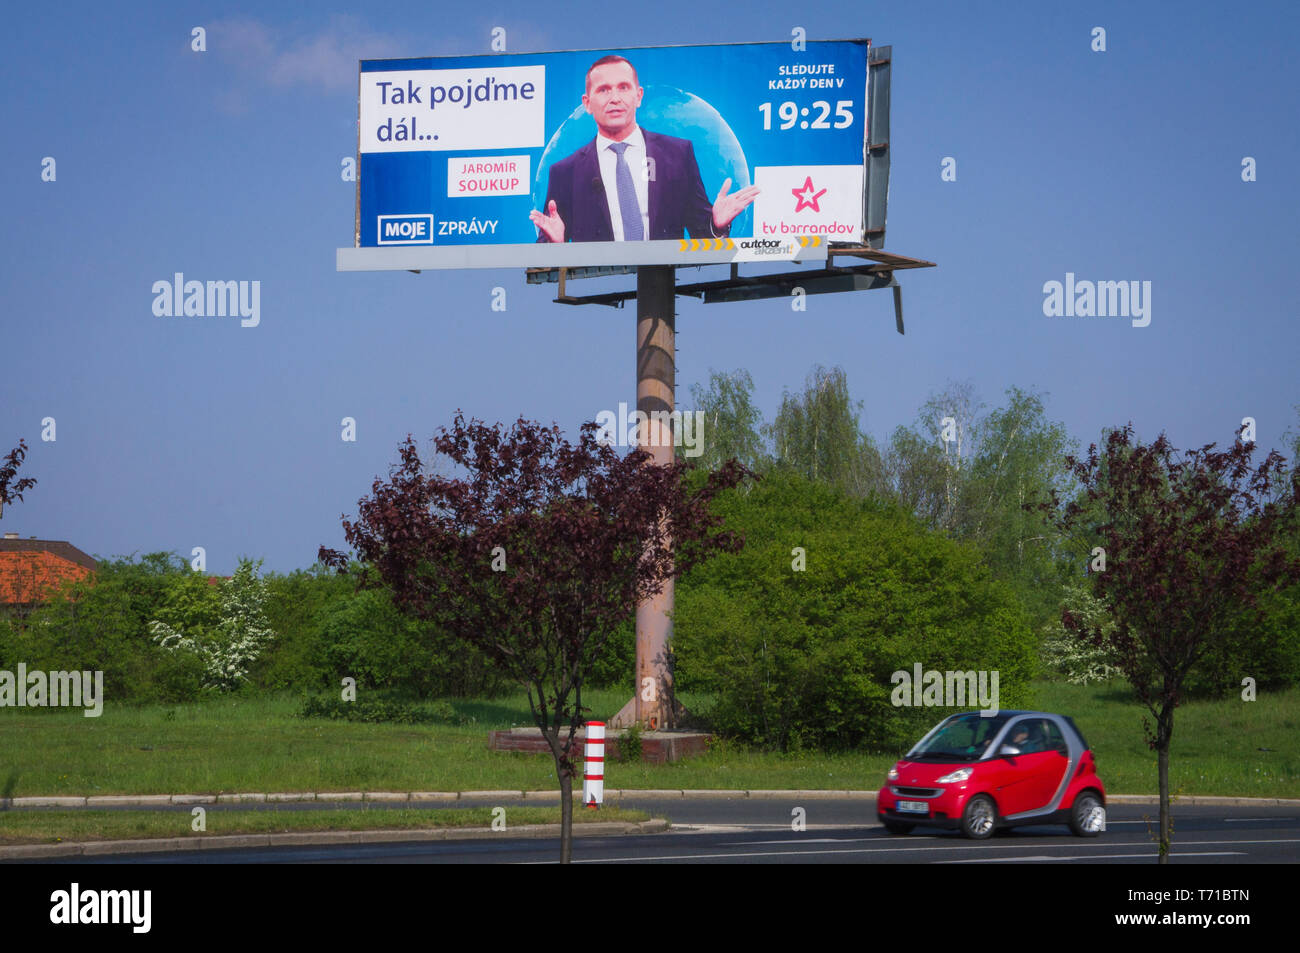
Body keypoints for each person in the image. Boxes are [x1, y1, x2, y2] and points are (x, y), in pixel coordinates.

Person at [530, 55, 759, 243]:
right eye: (604, 90)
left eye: (623, 87)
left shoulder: (678, 154)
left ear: (638, 96)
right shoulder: (565, 172)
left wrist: (716, 224)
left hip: (664, 285)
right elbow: (547, 252)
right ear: (587, 103)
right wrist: (554, 245)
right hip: (596, 287)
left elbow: (703, 236)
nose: (615, 98)